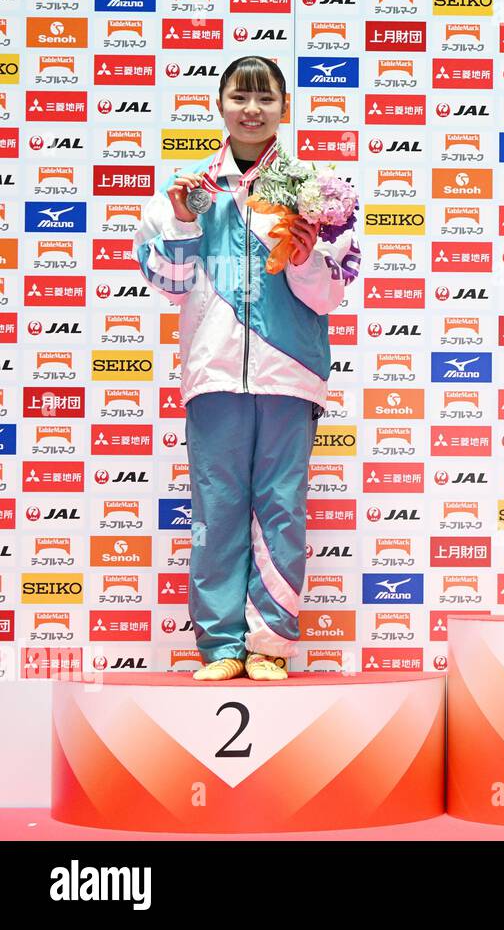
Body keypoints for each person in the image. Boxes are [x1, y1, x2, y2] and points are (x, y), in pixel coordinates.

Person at [134, 56, 360, 680]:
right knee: (216, 509)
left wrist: (308, 250)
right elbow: (171, 283)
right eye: (241, 96)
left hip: (290, 372)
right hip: (212, 372)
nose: (252, 109)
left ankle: (269, 645)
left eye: (265, 97)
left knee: (283, 506)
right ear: (221, 104)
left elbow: (328, 296)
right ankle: (221, 648)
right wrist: (183, 223)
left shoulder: (316, 192)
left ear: (285, 107)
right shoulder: (187, 192)